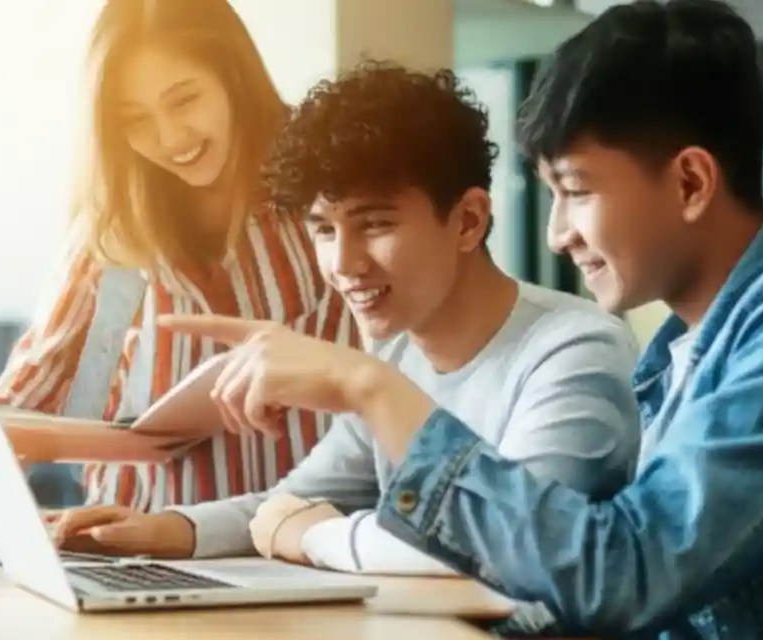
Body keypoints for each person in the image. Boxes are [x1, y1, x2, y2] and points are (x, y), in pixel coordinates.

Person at [154, 2, 763, 640]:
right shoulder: (681, 358)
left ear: (690, 182)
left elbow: (624, 572)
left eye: (577, 191)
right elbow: (596, 594)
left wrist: (367, 387)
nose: (557, 233)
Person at [49, 62, 640, 575]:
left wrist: (313, 536)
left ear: (467, 220)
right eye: (323, 230)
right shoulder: (397, 353)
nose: (343, 264)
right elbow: (291, 504)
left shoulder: (576, 350)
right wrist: (160, 530)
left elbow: (514, 545)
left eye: (375, 224)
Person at [0, 0, 359, 539]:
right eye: (135, 119)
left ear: (234, 78)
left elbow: (396, 374)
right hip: (137, 548)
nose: (171, 138)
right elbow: (22, 401)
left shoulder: (325, 200)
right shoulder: (112, 235)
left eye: (185, 100)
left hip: (300, 544)